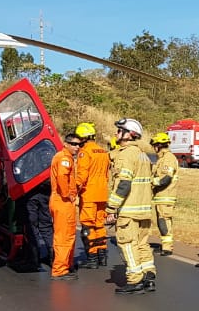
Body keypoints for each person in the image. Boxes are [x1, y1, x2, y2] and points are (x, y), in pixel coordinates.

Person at [108, 118, 157, 294]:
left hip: (129, 210)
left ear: (128, 134)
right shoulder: (143, 155)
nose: (116, 133)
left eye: (119, 130)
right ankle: (148, 276)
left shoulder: (126, 155)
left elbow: (123, 185)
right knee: (142, 244)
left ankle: (135, 279)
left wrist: (111, 208)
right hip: (144, 210)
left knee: (127, 244)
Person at [75, 123, 111, 269]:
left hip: (89, 194)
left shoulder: (85, 153)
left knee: (88, 227)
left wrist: (73, 191)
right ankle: (102, 256)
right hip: (102, 193)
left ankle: (92, 258)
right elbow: (107, 175)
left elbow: (82, 176)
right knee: (99, 225)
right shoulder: (103, 152)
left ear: (82, 138)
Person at [49, 132, 82, 279]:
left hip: (62, 201)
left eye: (79, 144)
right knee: (64, 236)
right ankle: (60, 270)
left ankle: (66, 265)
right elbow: (62, 177)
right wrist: (67, 194)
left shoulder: (63, 157)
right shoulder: (64, 158)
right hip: (62, 202)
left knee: (67, 234)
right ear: (66, 144)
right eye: (74, 144)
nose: (77, 147)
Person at [150, 131, 179, 257]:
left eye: (155, 145)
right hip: (160, 196)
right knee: (161, 221)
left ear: (159, 145)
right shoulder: (161, 159)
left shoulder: (168, 158)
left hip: (166, 195)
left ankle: (167, 247)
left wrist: (151, 182)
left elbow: (166, 179)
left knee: (164, 222)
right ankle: (165, 245)